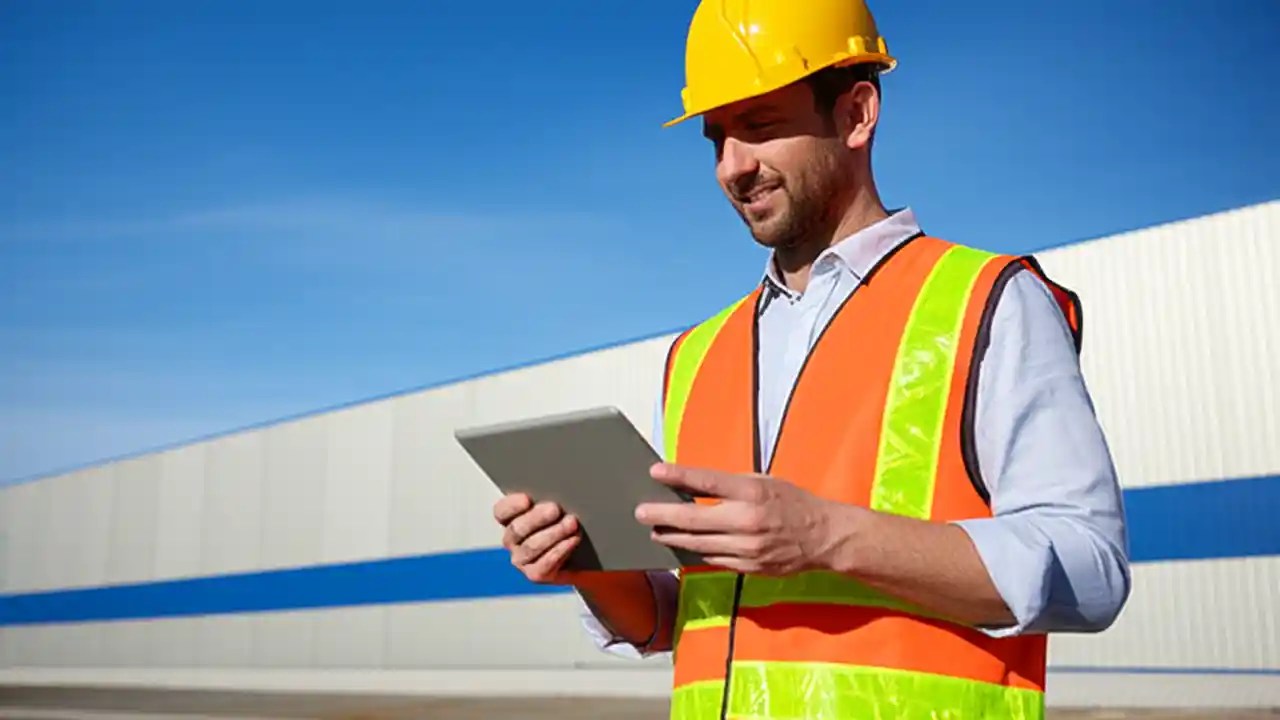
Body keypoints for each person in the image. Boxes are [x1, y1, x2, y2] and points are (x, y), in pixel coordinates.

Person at [492, 1, 1130, 717]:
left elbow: (1092, 569)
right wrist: (591, 568)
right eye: (716, 139)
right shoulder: (697, 356)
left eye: (759, 126)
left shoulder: (986, 302)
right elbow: (683, 619)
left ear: (857, 114)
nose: (733, 167)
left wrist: (827, 536)